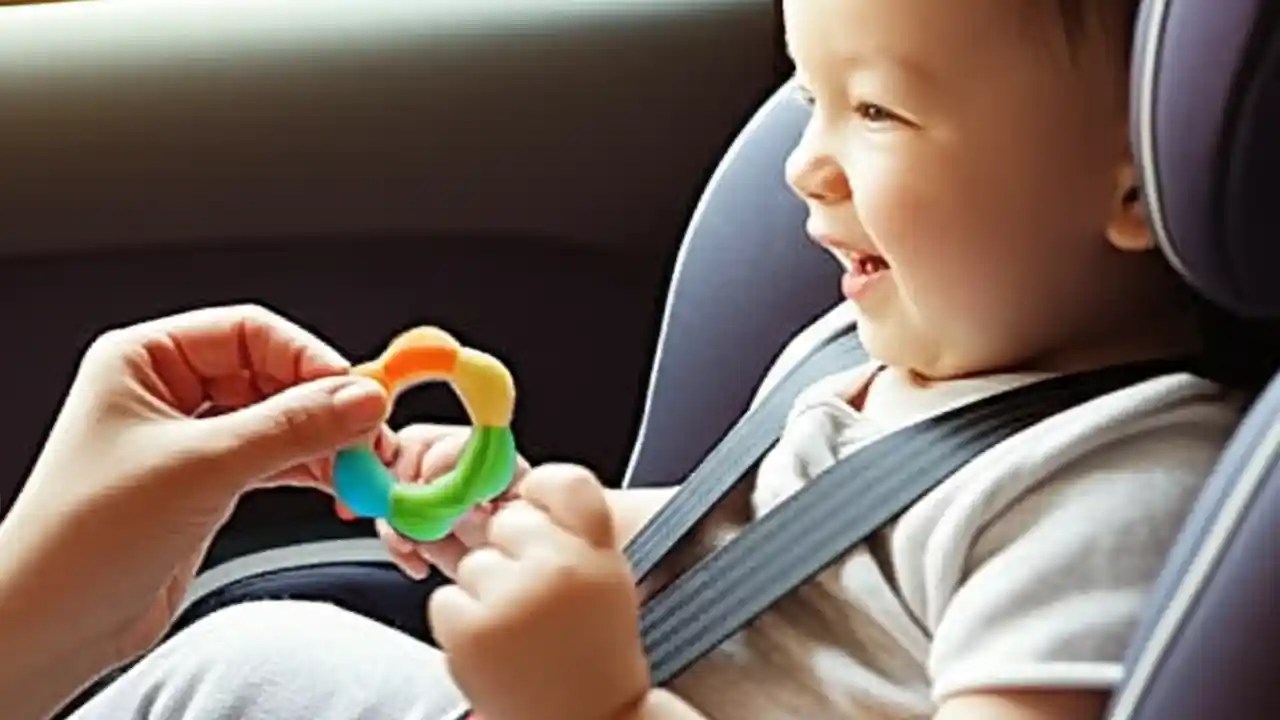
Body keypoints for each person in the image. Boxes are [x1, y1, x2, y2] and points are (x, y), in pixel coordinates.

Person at [1, 2, 1259, 720]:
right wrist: (522, 526)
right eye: (804, 97)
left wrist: (597, 704)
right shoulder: (866, 348)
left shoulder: (1112, 498)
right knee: (243, 666)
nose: (801, 165)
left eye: (875, 110)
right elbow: (757, 557)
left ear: (1136, 173)